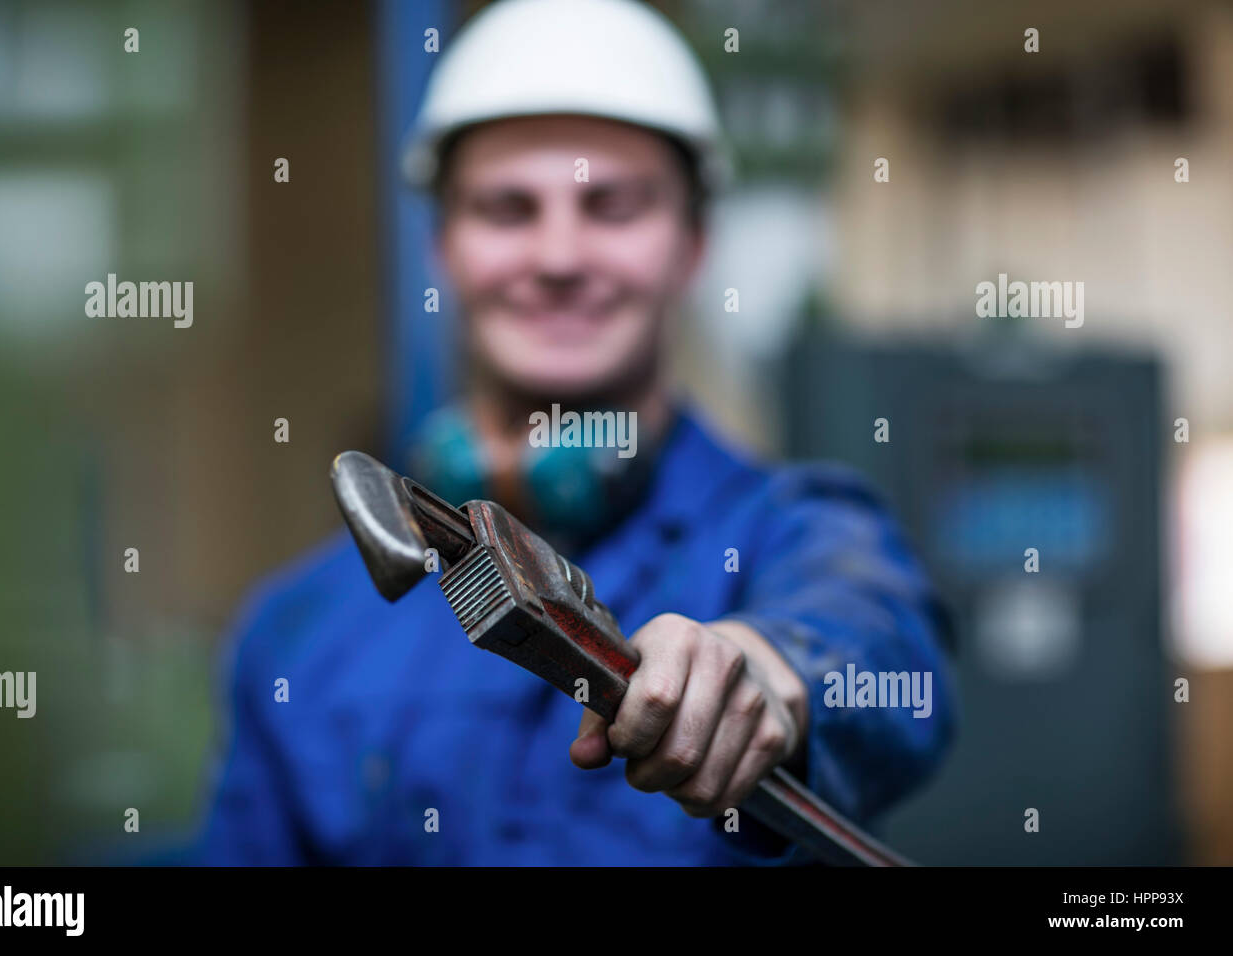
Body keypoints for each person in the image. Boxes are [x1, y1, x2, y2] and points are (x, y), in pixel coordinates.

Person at [194, 0, 954, 865]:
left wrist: (764, 672)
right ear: (444, 246)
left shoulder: (801, 532)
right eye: (509, 208)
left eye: (613, 206)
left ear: (692, 244)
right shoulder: (299, 633)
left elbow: (880, 641)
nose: (559, 256)